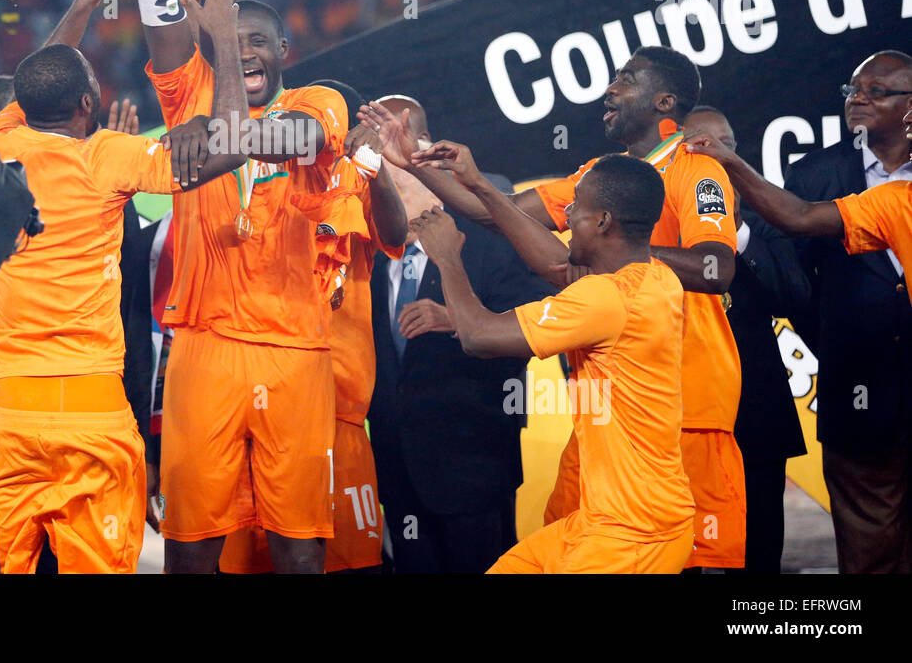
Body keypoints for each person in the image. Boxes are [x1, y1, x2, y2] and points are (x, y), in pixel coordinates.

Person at [362, 45, 745, 571]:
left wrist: (616, 256)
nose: (609, 89)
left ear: (665, 100)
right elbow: (496, 215)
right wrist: (425, 168)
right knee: (569, 539)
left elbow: (715, 268)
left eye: (626, 80)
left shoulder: (695, 169)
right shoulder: (597, 177)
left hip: (688, 403)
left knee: (691, 559)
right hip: (603, 405)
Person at [0, 0, 250, 574]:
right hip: (93, 417)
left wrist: (81, 2)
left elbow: (38, 80)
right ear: (89, 104)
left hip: (11, 417)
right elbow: (235, 143)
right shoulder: (109, 157)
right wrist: (221, 35)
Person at [134, 0, 352, 573]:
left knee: (298, 550)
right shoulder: (187, 87)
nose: (250, 54)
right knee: (192, 547)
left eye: (261, 43)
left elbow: (231, 141)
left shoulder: (320, 107)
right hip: (200, 345)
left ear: (285, 52)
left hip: (294, 348)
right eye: (239, 41)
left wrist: (222, 33)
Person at [409, 155, 694, 572]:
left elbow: (477, 337)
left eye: (576, 205)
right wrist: (483, 186)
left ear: (602, 222)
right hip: (599, 519)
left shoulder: (605, 300)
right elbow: (555, 265)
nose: (567, 213)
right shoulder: (655, 277)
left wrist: (448, 258)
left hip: (634, 532)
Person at [686, 62, 912, 573]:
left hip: (761, 419)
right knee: (869, 550)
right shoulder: (877, 197)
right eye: (853, 88)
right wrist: (838, 351)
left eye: (877, 91)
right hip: (860, 394)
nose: (859, 98)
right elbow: (799, 233)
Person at [218, 80, 408, 574]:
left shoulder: (357, 175)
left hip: (336, 411)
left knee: (345, 563)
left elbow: (394, 234)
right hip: (257, 411)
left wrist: (378, 167)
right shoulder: (261, 187)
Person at [363, 95, 553, 573]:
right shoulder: (362, 255)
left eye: (387, 163)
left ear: (419, 154)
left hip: (474, 459)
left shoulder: (492, 235)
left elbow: (538, 318)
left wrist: (456, 318)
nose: (375, 180)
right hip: (396, 468)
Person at [684, 106, 808, 574]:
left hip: (754, 420)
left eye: (728, 144)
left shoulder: (767, 217)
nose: (716, 154)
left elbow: (794, 298)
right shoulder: (657, 223)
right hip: (681, 423)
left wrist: (734, 233)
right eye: (700, 144)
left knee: (760, 553)